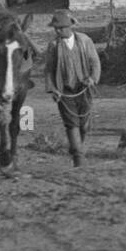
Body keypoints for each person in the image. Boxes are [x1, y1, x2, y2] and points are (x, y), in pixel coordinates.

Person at [43, 10, 101, 166]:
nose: (58, 31)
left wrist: (92, 78)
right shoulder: (53, 45)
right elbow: (48, 69)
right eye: (56, 28)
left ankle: (77, 147)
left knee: (84, 124)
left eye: (61, 28)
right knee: (71, 123)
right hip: (65, 90)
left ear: (70, 27)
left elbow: (94, 62)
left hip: (84, 88)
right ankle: (78, 157)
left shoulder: (84, 41)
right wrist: (52, 88)